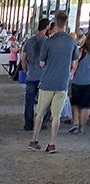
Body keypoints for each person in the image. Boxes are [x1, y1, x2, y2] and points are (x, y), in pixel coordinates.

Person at [29, 11, 79, 152]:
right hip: (62, 83)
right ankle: (52, 144)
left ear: (55, 24)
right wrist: (68, 75)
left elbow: (41, 63)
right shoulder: (72, 42)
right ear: (66, 23)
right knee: (56, 115)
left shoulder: (48, 42)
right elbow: (74, 65)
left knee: (40, 113)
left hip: (47, 82)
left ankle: (34, 139)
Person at [21, 17, 49, 130]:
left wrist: (26, 70)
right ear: (47, 27)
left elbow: (23, 59)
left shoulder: (29, 41)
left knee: (29, 101)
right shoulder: (48, 42)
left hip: (31, 75)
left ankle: (28, 123)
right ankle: (43, 122)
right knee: (44, 101)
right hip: (44, 76)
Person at [69, 35, 90, 133]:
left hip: (77, 81)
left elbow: (74, 65)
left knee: (75, 104)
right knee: (86, 106)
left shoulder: (80, 50)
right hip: (89, 83)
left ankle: (76, 123)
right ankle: (81, 128)